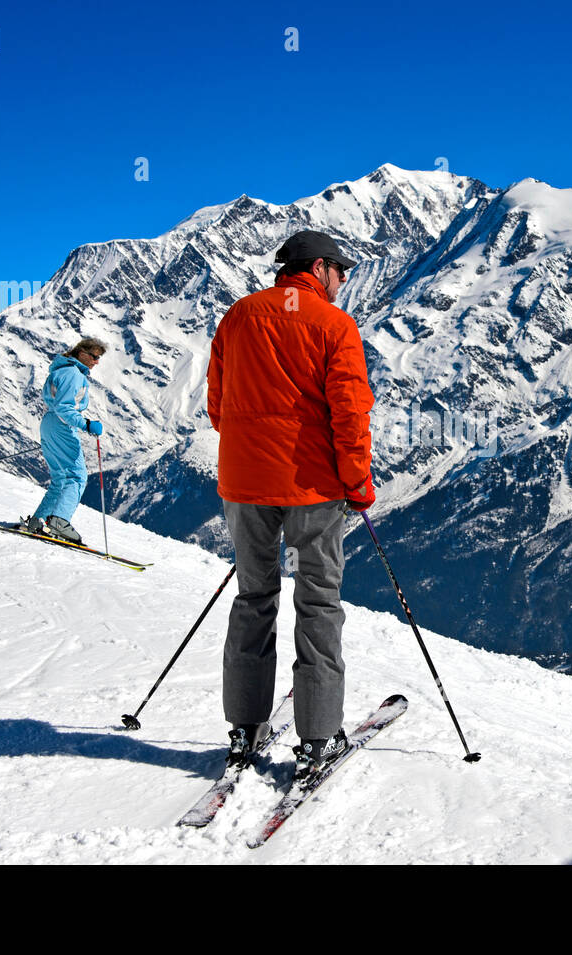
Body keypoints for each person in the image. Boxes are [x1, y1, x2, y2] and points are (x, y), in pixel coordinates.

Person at [207, 229, 375, 780]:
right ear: (319, 267)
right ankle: (319, 736)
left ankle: (244, 728)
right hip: (313, 488)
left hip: (245, 485)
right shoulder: (333, 325)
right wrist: (357, 483)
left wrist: (249, 452)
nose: (345, 279)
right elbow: (349, 414)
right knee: (318, 603)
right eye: (341, 270)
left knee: (254, 598)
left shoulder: (238, 316)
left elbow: (218, 401)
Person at [20, 338, 106, 545]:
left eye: (99, 358)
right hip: (61, 424)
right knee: (76, 477)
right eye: (94, 356)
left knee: (60, 478)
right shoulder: (73, 374)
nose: (96, 362)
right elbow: (64, 407)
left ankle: (38, 522)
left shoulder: (62, 371)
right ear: (82, 353)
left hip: (50, 423)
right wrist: (86, 423)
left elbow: (57, 405)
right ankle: (59, 521)